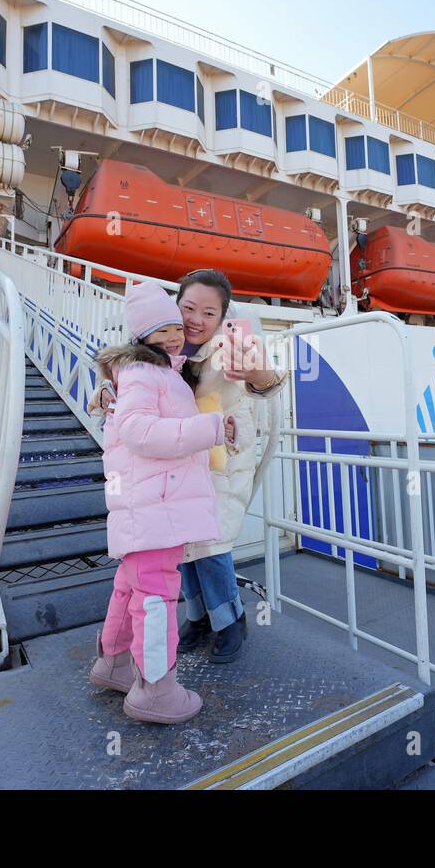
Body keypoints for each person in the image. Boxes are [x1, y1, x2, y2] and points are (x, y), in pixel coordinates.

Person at [91, 269, 287, 664]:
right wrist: (106, 393)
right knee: (183, 549)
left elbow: (268, 381)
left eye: (209, 313)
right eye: (188, 308)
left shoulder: (231, 347)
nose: (196, 320)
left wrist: (257, 373)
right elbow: (122, 387)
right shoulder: (159, 347)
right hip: (179, 464)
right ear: (174, 308)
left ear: (222, 317)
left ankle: (231, 620)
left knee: (212, 549)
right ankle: (199, 618)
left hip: (222, 464)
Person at [88, 282, 238, 724]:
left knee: (132, 584)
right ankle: (156, 690)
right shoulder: (147, 374)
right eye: (164, 329)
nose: (176, 335)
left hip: (150, 504)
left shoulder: (153, 373)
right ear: (142, 336)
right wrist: (209, 429)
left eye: (178, 325)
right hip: (155, 504)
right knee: (155, 596)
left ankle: (114, 663)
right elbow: (139, 432)